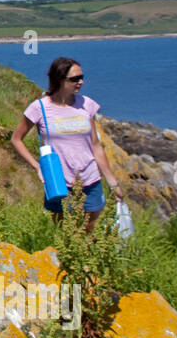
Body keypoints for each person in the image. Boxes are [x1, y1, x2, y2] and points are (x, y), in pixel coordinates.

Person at [10, 56, 123, 232]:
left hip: (91, 180)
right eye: (75, 79)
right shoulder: (39, 108)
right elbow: (16, 139)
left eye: (82, 77)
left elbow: (95, 145)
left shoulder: (86, 104)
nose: (81, 82)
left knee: (89, 230)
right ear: (59, 79)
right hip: (59, 182)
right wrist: (38, 167)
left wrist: (112, 182)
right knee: (65, 234)